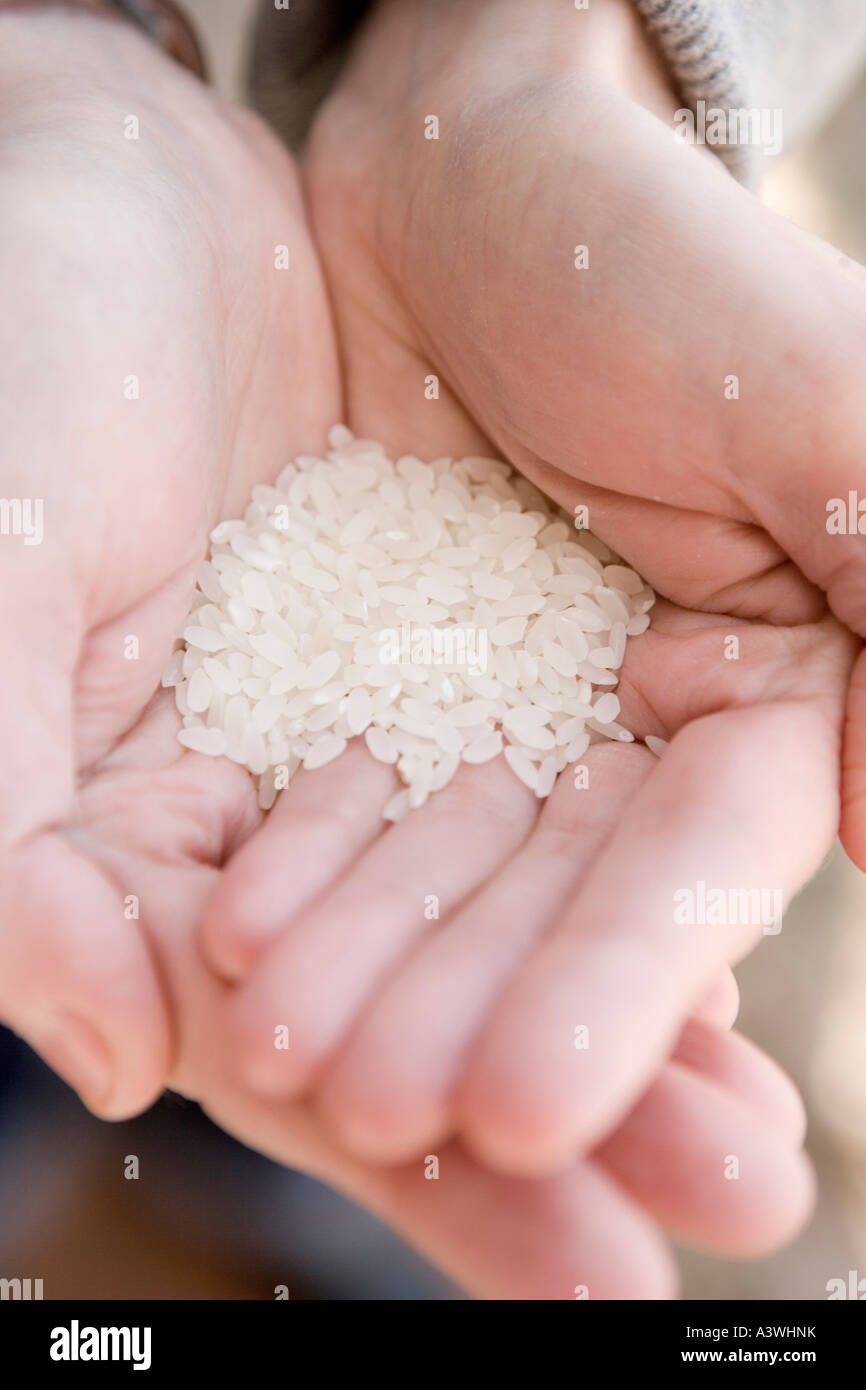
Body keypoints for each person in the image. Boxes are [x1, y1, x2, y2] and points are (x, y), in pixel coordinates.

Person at [0, 0, 863, 1298]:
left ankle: (289, 1206)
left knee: (323, 1013)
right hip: (101, 713)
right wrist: (39, 69)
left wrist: (539, 41)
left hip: (241, 836)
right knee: (83, 937)